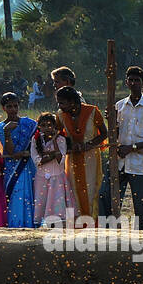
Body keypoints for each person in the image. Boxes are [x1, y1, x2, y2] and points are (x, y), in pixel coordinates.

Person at [100, 65, 143, 227]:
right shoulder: (119, 106)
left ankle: (141, 242)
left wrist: (131, 148)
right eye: (131, 80)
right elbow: (114, 134)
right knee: (107, 201)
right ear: (126, 82)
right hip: (118, 163)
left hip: (141, 165)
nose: (134, 83)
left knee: (141, 208)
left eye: (137, 80)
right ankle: (109, 240)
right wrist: (111, 120)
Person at [55, 86, 107, 225]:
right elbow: (59, 135)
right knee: (73, 192)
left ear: (72, 102)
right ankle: (77, 228)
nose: (59, 106)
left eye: (62, 103)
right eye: (59, 103)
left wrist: (89, 144)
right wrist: (70, 146)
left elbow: (104, 133)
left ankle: (93, 227)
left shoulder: (92, 111)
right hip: (72, 158)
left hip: (91, 158)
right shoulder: (60, 115)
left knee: (91, 192)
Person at [0, 93, 37, 228]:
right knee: (16, 195)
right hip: (12, 167)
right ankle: (16, 225)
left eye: (15, 106)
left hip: (28, 166)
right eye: (9, 107)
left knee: (28, 194)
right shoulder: (1, 127)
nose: (13, 109)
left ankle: (30, 224)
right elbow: (12, 152)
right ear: (3, 108)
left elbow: (36, 144)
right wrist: (7, 132)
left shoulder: (29, 124)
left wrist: (27, 153)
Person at [30, 112, 75, 225]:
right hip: (41, 178)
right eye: (43, 125)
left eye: (49, 125)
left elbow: (61, 159)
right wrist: (51, 156)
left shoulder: (60, 140)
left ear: (54, 126)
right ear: (39, 126)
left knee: (57, 204)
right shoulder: (36, 140)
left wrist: (54, 140)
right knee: (42, 203)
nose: (47, 128)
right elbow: (37, 160)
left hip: (57, 178)